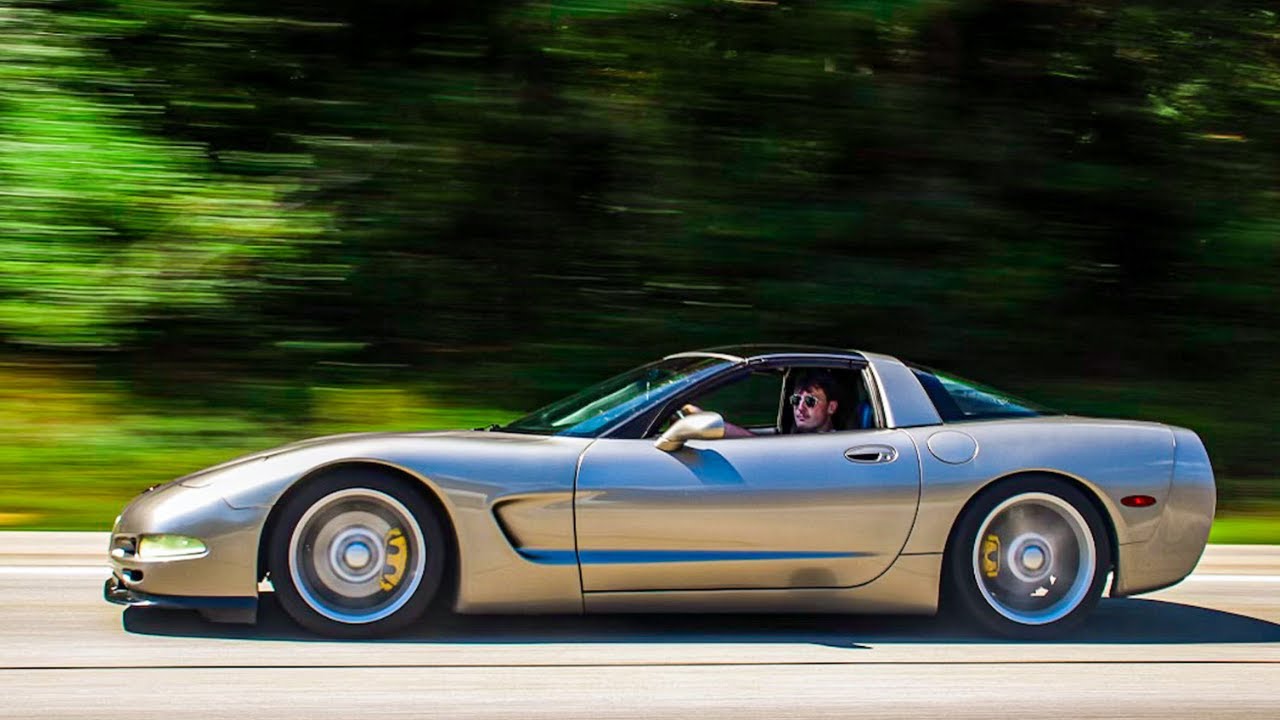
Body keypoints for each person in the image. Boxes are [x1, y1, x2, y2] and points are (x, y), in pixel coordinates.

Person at [676, 369, 842, 436]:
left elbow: (768, 451)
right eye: (796, 400)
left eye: (810, 401)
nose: (800, 408)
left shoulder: (832, 444)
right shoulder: (798, 437)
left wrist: (706, 420)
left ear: (831, 407)